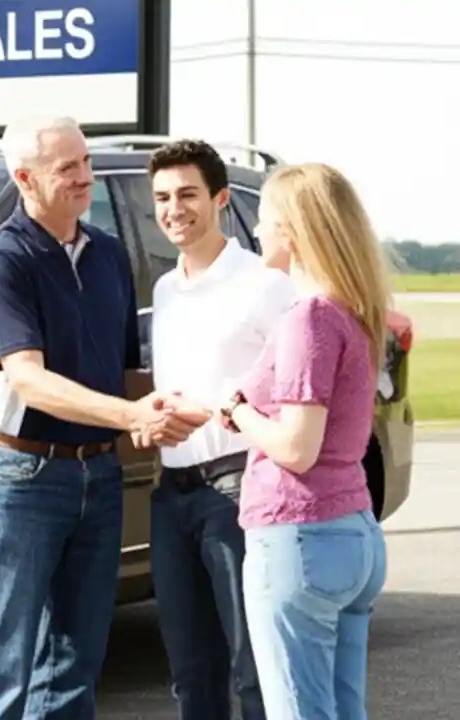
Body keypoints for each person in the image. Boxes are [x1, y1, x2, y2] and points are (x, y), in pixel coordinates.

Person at [0, 115, 209, 720]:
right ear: (25, 178)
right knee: (3, 658)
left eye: (86, 161)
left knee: (75, 660)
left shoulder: (109, 256)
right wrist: (130, 414)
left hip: (99, 479)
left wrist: (181, 411)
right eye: (66, 167)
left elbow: (125, 373)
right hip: (22, 480)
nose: (84, 177)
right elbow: (28, 379)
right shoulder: (0, 261)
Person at [219, 162, 391, 720]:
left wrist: (240, 413)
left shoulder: (308, 319)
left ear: (291, 232)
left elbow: (296, 448)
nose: (256, 232)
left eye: (265, 220)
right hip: (354, 536)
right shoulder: (352, 313)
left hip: (300, 537)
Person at [144, 139, 294, 720]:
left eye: (187, 194)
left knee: (254, 667)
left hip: (239, 489)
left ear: (221, 198)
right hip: (172, 492)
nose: (173, 209)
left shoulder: (264, 284)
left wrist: (218, 411)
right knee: (191, 673)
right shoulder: (164, 291)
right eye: (161, 197)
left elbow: (295, 389)